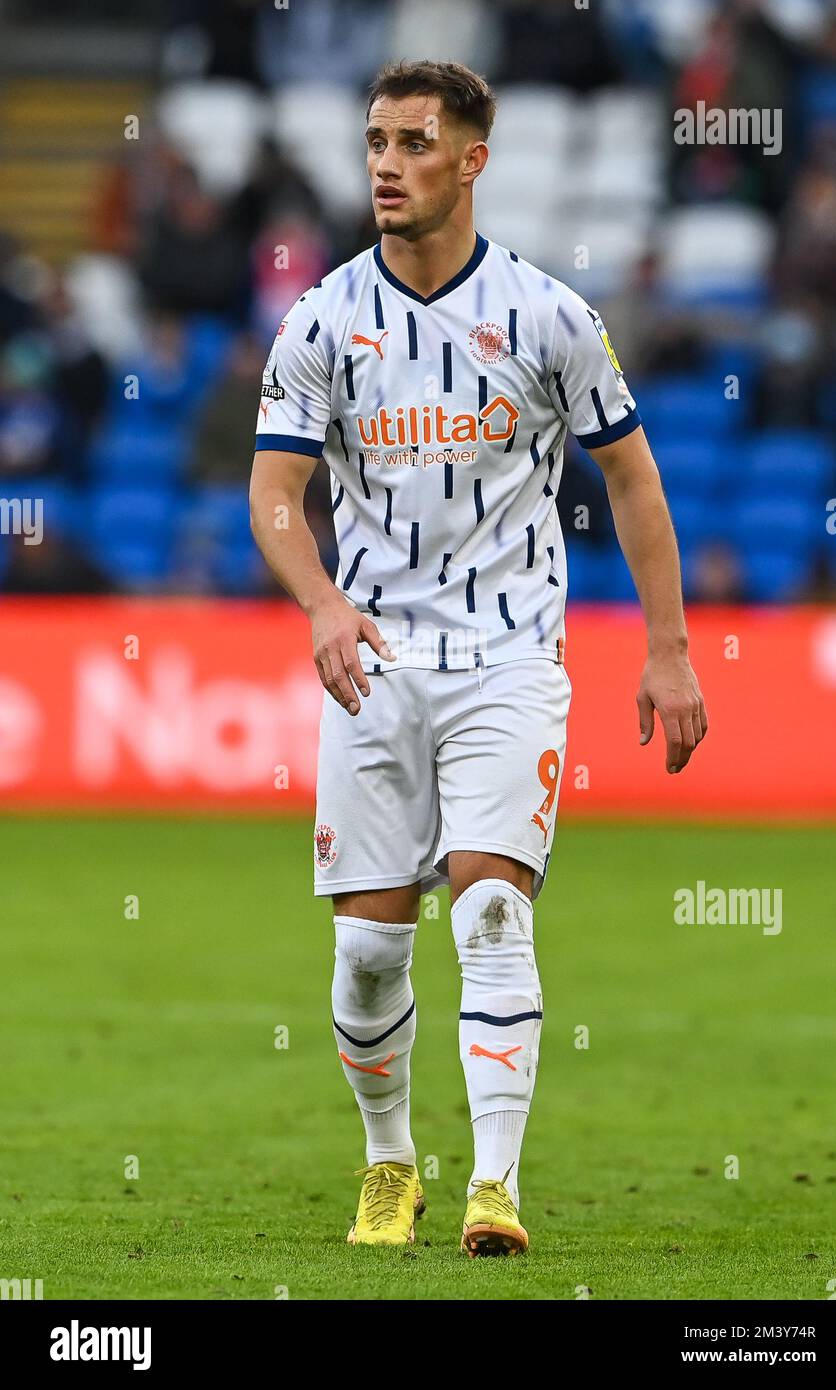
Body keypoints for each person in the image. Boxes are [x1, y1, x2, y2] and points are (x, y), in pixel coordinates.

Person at [249, 60, 707, 1257]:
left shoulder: (551, 316)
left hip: (508, 660)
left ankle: (492, 1187)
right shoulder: (320, 318)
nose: (386, 164)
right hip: (372, 666)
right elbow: (274, 491)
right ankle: (389, 1161)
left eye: (412, 142)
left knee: (493, 913)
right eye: (374, 142)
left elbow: (631, 477)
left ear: (471, 160)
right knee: (364, 955)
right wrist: (319, 603)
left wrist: (666, 650)